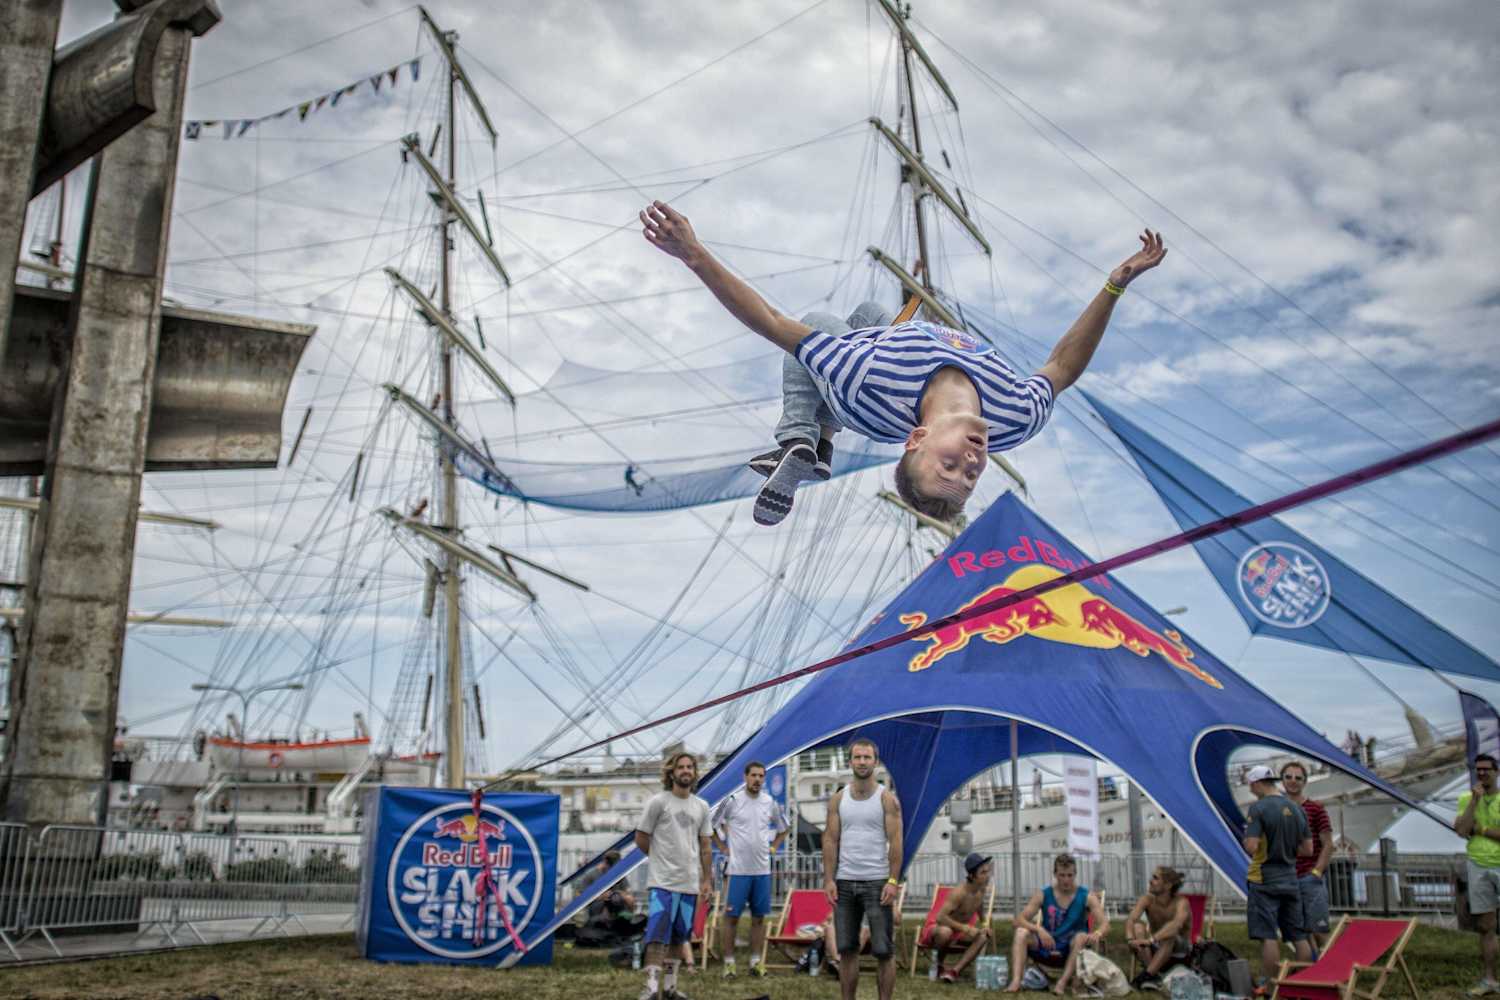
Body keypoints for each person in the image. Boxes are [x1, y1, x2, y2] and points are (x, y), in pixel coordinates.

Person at [638, 200, 1167, 527]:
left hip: (864, 400)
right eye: (971, 477)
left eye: (950, 466)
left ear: (916, 440)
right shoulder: (1016, 414)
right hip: (892, 347)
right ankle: (811, 436)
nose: (973, 464)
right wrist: (1115, 283)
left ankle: (803, 436)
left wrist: (694, 254)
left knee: (818, 319)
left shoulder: (864, 375)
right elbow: (1063, 366)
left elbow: (771, 321)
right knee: (870, 313)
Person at [822, 737, 902, 1000]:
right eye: (857, 757)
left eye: (867, 757)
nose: (862, 762)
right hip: (844, 882)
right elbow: (830, 840)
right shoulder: (838, 800)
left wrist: (892, 880)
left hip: (877, 882)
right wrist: (829, 880)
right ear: (850, 762)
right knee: (846, 949)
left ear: (875, 762)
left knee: (883, 951)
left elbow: (896, 842)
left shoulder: (886, 799)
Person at [634, 751, 712, 1000]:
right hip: (662, 883)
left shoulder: (702, 806)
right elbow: (641, 837)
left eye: (690, 767)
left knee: (679, 938)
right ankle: (651, 987)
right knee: (657, 936)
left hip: (689, 884)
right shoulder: (658, 802)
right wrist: (658, 860)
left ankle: (669, 987)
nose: (686, 771)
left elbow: (706, 846)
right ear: (672, 772)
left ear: (695, 773)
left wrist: (707, 879)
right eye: (681, 767)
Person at [711, 760, 788, 978]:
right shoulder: (733, 801)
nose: (757, 780)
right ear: (745, 777)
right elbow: (711, 824)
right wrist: (722, 847)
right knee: (731, 918)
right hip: (737, 871)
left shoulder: (770, 802)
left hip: (762, 871)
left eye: (761, 776)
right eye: (753, 775)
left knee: (759, 918)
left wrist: (774, 847)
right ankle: (729, 963)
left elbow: (784, 828)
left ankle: (755, 962)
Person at [1243, 763, 1312, 986]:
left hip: (1264, 878)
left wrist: (1253, 841)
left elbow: (1252, 846)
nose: (1251, 790)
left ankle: (1268, 984)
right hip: (1290, 878)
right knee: (1299, 937)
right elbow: (1308, 849)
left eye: (1251, 786)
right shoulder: (1297, 808)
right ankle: (1300, 983)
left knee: (1268, 935)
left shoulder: (1258, 808)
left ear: (1256, 783)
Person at [1005, 853, 1108, 995]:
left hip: (1072, 950)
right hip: (1048, 945)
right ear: (1055, 874)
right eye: (1062, 875)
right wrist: (1038, 929)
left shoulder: (1087, 896)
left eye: (1070, 875)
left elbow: (1105, 924)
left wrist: (1097, 933)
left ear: (1075, 874)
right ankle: (1016, 980)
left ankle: (1062, 982)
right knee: (1021, 932)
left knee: (1081, 936)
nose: (1066, 880)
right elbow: (1018, 920)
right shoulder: (1043, 894)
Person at [1456, 752, 1500, 996]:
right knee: (1485, 926)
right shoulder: (1466, 798)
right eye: (1478, 769)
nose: (1482, 773)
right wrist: (1474, 802)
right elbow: (1462, 830)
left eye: (1487, 769)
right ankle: (1490, 979)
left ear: (1497, 772)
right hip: (1478, 865)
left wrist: (1481, 829)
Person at [1280, 760, 1333, 953]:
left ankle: (1331, 968)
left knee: (1319, 930)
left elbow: (1328, 844)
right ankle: (1311, 969)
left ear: (1304, 782)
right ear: (1282, 781)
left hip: (1308, 877)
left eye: (1298, 778)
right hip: (1286, 878)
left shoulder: (1316, 809)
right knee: (1300, 932)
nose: (1293, 781)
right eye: (1288, 777)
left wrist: (1317, 872)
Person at [923, 852, 996, 983]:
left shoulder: (981, 889)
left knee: (983, 936)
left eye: (987, 871)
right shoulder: (959, 893)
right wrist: (965, 928)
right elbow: (940, 917)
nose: (987, 876)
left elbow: (979, 906)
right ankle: (938, 965)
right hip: (936, 928)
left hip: (958, 931)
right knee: (946, 931)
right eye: (983, 873)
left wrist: (985, 925)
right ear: (972, 876)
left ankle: (954, 971)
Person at [1124, 866, 1191, 992]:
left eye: (1155, 878)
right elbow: (1131, 920)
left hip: (1179, 950)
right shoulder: (1147, 899)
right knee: (1138, 927)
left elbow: (1176, 925)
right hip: (1157, 948)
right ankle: (1152, 977)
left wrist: (1151, 940)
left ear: (1168, 885)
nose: (1150, 881)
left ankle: (1144, 977)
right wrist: (1130, 939)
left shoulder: (1181, 902)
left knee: (1169, 935)